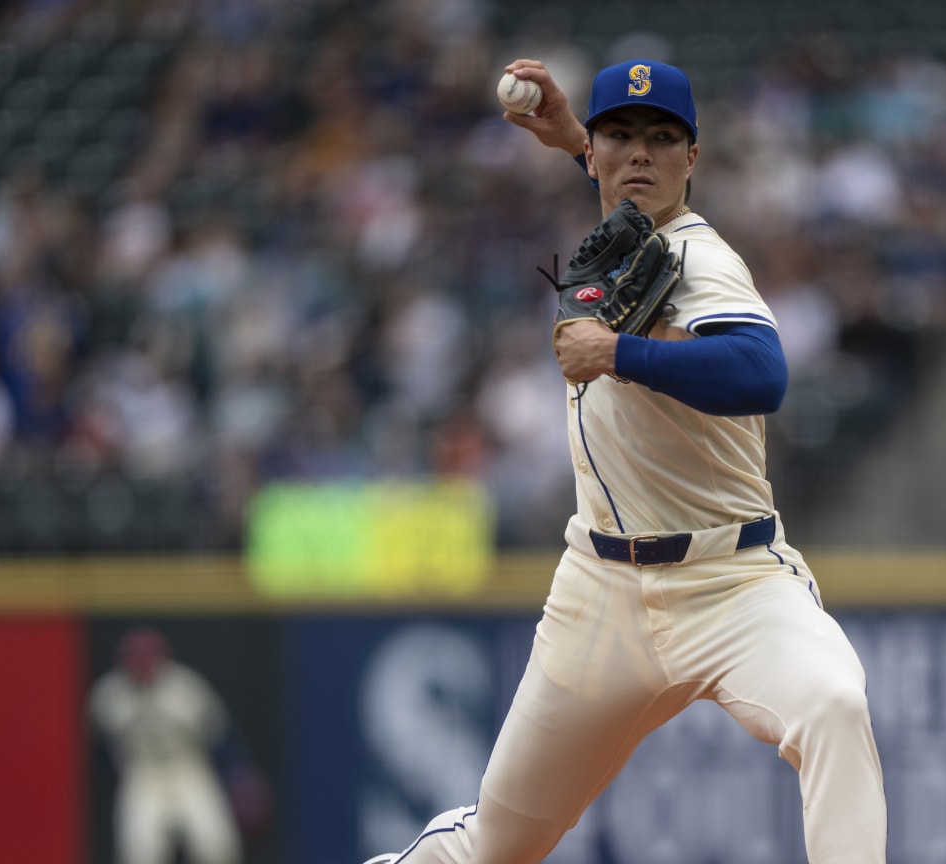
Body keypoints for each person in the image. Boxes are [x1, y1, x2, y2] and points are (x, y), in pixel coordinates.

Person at [362, 57, 888, 864]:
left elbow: (763, 373)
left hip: (732, 582)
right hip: (601, 593)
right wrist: (577, 139)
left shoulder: (702, 261)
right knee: (501, 843)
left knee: (833, 704)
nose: (639, 154)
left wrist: (618, 351)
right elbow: (621, 189)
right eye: (621, 137)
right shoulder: (625, 217)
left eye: (661, 139)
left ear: (693, 159)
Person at [90, 627, 265, 864]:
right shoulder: (108, 694)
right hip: (143, 773)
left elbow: (221, 736)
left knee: (215, 846)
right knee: (140, 851)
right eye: (136, 656)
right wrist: (117, 773)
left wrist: (240, 774)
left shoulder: (186, 687)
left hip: (187, 769)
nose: (143, 663)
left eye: (148, 655)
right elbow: (100, 746)